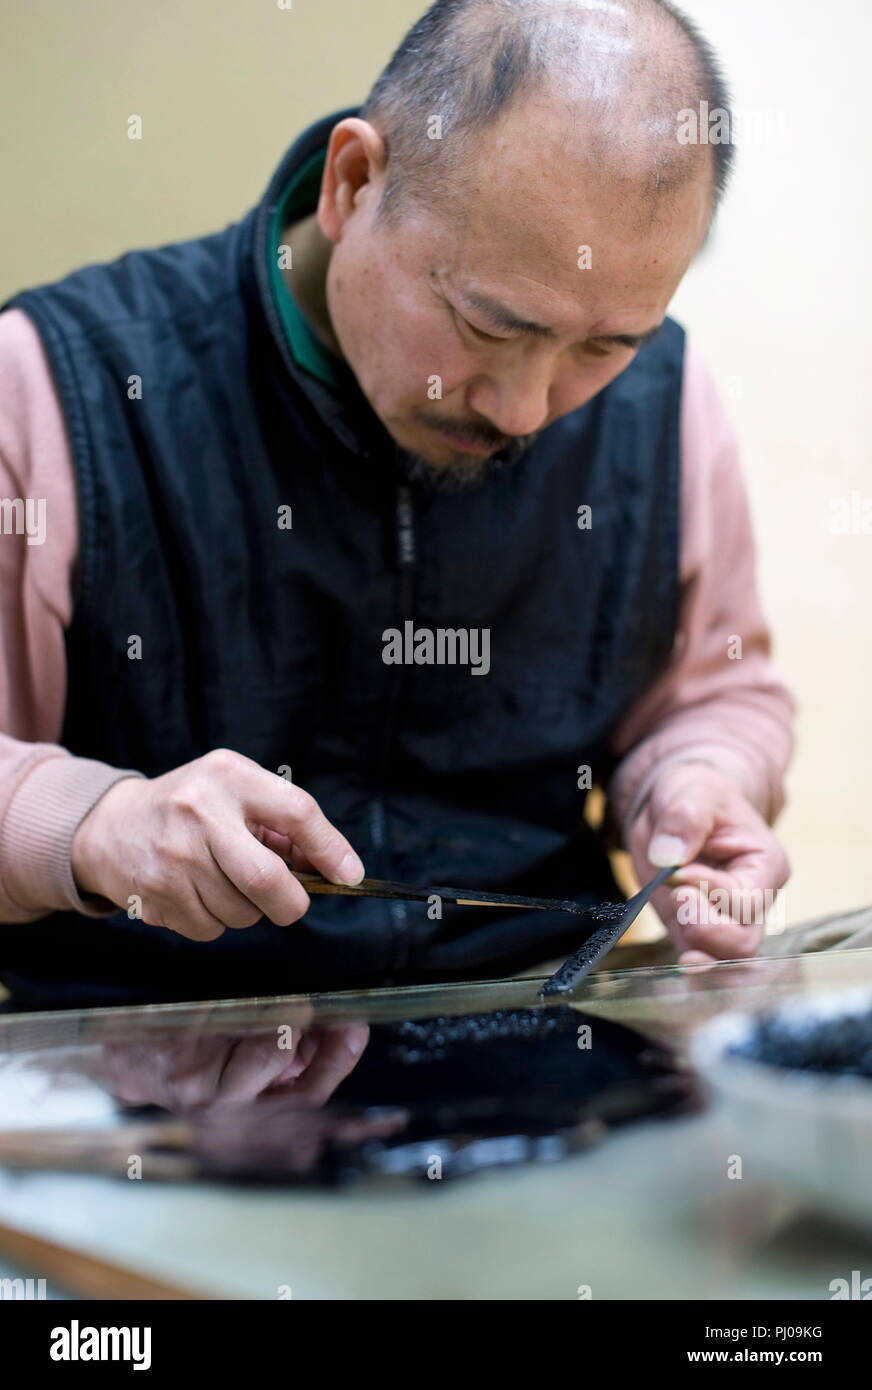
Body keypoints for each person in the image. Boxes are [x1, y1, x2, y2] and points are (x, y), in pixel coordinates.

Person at [0, 0, 793, 1009]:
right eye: (486, 323)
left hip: (546, 1062)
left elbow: (713, 694)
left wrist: (695, 782)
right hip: (152, 1098)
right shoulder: (57, 386)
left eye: (602, 346)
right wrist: (96, 821)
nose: (522, 407)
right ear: (353, 183)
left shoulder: (667, 400)